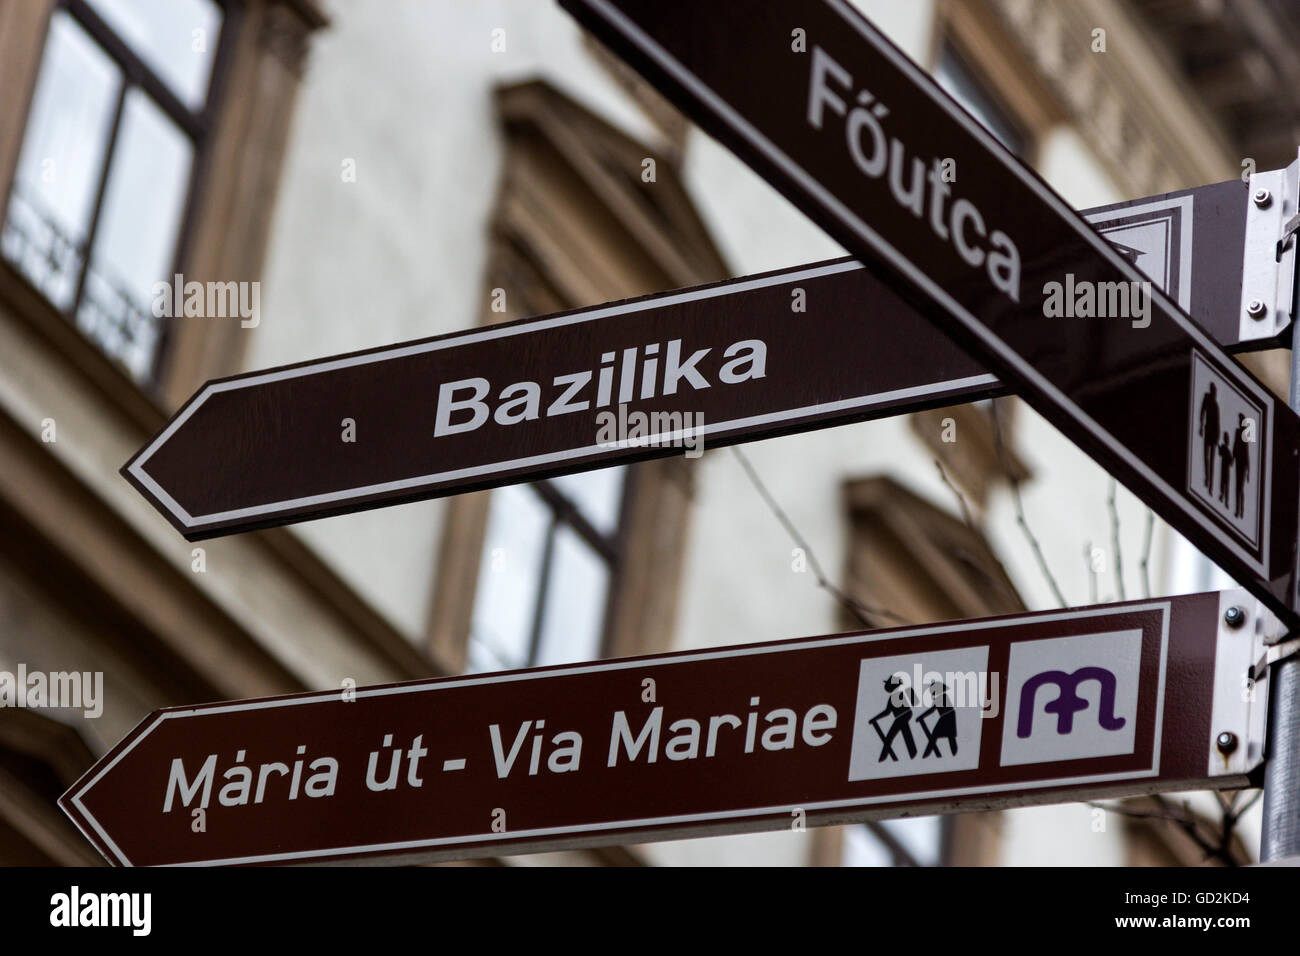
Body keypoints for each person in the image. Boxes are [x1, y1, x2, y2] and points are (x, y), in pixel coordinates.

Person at [871, 675, 918, 762]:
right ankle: (913, 753)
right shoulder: (892, 697)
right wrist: (875, 718)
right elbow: (887, 712)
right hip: (902, 716)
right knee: (904, 734)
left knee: (890, 737)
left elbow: (915, 702)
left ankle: (883, 757)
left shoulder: (903, 692)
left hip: (903, 716)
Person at [917, 680, 958, 758]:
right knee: (948, 737)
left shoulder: (942, 697)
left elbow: (932, 710)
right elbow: (932, 709)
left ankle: (926, 755)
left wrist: (921, 716)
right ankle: (926, 755)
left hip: (947, 717)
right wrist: (921, 716)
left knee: (937, 736)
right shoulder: (941, 697)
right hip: (947, 716)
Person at [1198, 382, 1220, 493]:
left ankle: (1210, 484)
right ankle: (1207, 479)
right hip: (1208, 431)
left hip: (1213, 434)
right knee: (1206, 457)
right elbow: (1202, 412)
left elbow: (1217, 423)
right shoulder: (1207, 398)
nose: (1214, 393)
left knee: (1211, 460)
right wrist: (1201, 426)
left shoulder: (1216, 405)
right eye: (1213, 391)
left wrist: (1217, 439)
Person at [1234, 414, 1251, 519]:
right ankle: (1238, 509)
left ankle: (1241, 510)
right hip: (1239, 462)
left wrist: (1248, 470)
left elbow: (1246, 451)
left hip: (1243, 463)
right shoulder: (1238, 432)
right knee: (1238, 488)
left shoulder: (1244, 435)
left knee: (1240, 488)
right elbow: (1235, 446)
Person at [1218, 432, 1232, 507]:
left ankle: (1225, 499)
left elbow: (1231, 462)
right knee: (1224, 484)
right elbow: (1220, 453)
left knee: (1225, 484)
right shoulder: (1225, 449)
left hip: (1226, 469)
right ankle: (1222, 497)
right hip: (1224, 469)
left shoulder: (1227, 450)